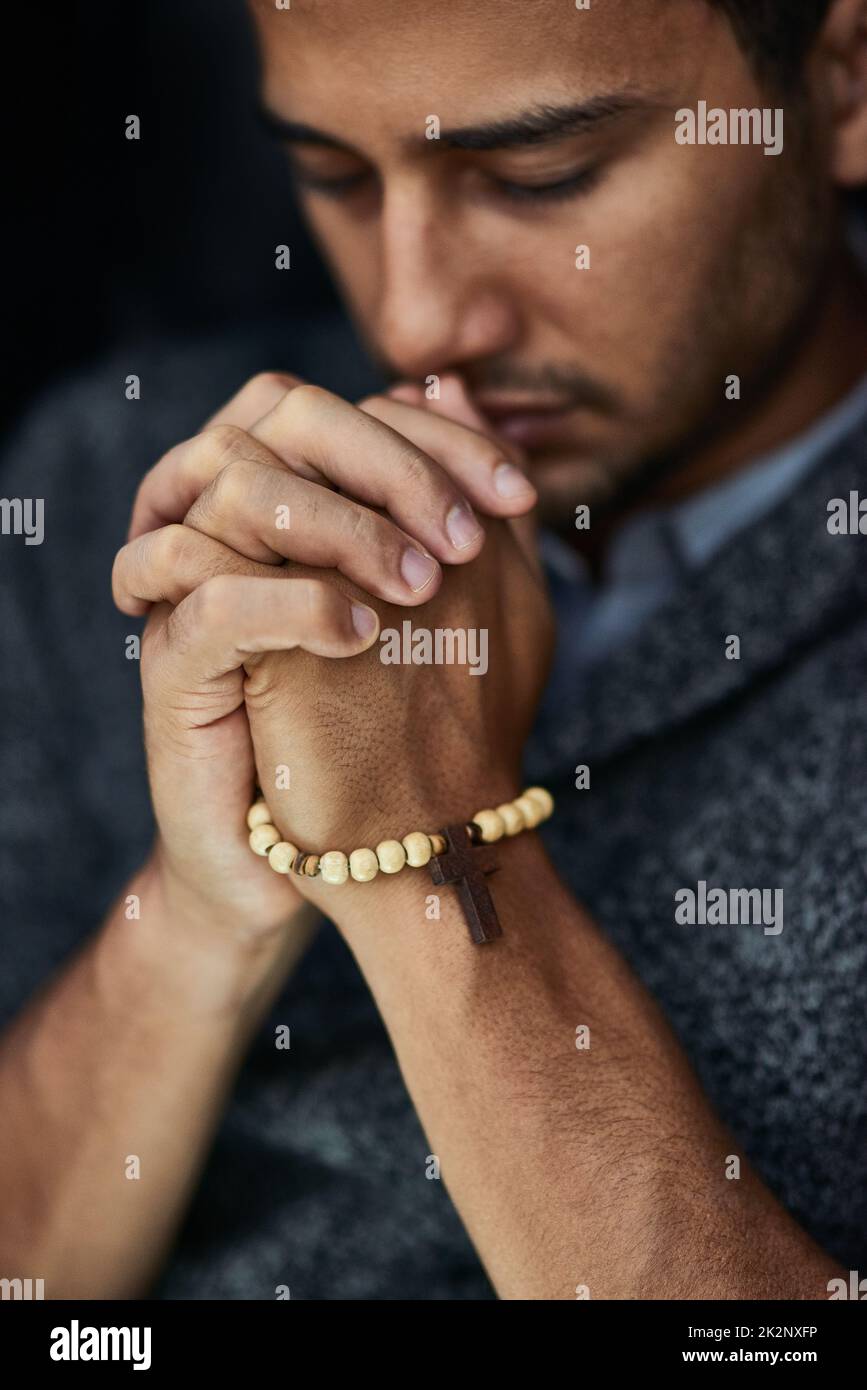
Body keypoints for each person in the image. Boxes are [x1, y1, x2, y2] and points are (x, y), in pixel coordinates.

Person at [1, 0, 865, 1300]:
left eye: (540, 178)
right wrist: (195, 914)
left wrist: (434, 841)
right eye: (333, 175)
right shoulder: (125, 488)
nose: (413, 324)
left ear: (846, 79)